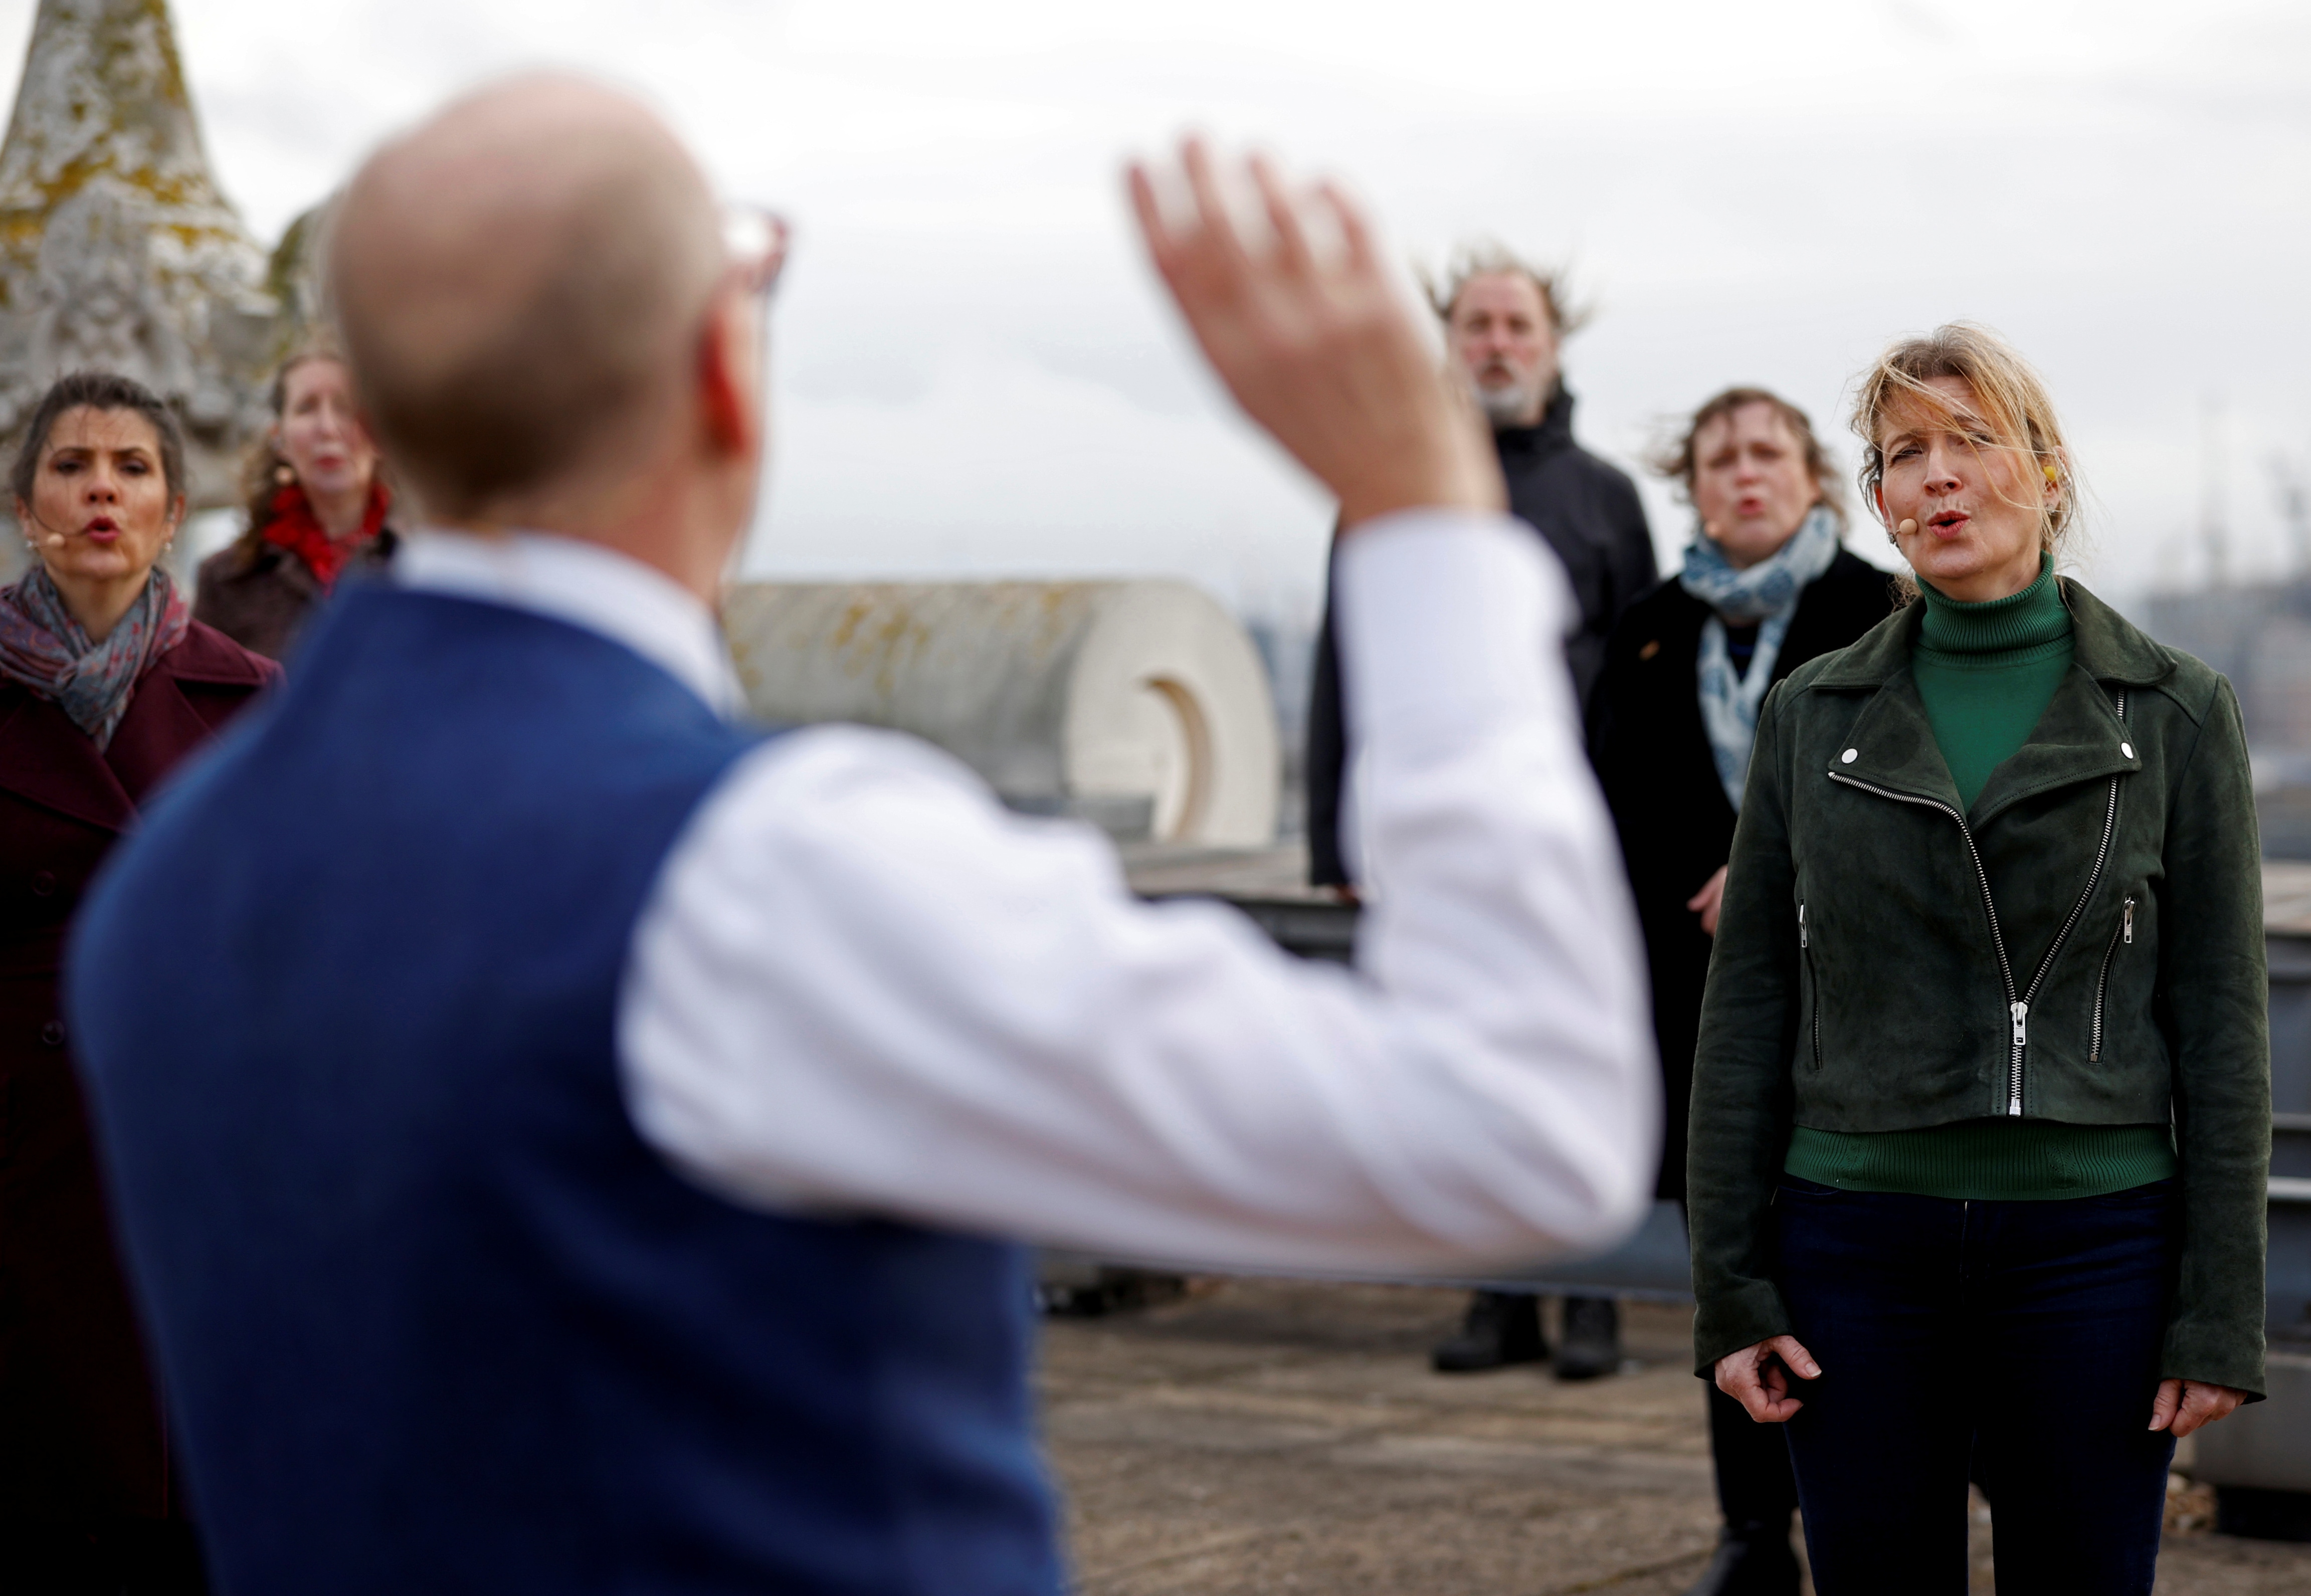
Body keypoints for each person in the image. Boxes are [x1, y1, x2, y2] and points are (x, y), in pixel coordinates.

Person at [65, 79, 1656, 1596]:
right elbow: (1521, 1119)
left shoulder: (167, 881)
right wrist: (1427, 515)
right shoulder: (763, 871)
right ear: (721, 371)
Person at [1686, 323, 2269, 1595]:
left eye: (1972, 439)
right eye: (1903, 453)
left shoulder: (2172, 711)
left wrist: (2218, 1304)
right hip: (1852, 1247)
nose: (1937, 475)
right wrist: (1730, 1284)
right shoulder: (1814, 713)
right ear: (1881, 503)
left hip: (2094, 1248)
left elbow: (2222, 1018)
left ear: (2047, 472)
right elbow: (1747, 1011)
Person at [1308, 245, 1656, 1381]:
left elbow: (1645, 673)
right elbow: (1339, 663)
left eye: (1516, 325)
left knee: (1585, 1048)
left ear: (1552, 347)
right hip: (1436, 838)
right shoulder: (1390, 488)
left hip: (1584, 832)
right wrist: (1332, 836)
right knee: (1452, 1053)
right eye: (1475, 326)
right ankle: (1495, 1297)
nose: (1496, 344)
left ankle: (1593, 1300)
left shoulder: (1604, 495)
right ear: (1448, 345)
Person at [1587, 387, 1896, 1595]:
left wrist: (1773, 876)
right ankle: (1750, 1527)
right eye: (1720, 458)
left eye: (1768, 451)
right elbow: (1608, 793)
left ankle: (1868, 1506)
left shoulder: (1875, 606)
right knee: (1730, 1255)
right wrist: (1697, 877)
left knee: (1850, 1254)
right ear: (1694, 484)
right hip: (1692, 989)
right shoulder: (1652, 625)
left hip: (1851, 988)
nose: (1745, 473)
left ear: (1812, 475)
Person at [0, 371, 277, 1594]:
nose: (99, 487)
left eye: (130, 467)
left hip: (191, 1180)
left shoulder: (255, 705)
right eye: (69, 464)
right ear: (24, 506)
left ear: (173, 513)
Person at [194, 346, 398, 659]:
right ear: (280, 439)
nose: (327, 428)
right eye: (306, 408)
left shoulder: (427, 562)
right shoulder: (227, 582)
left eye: (346, 407)